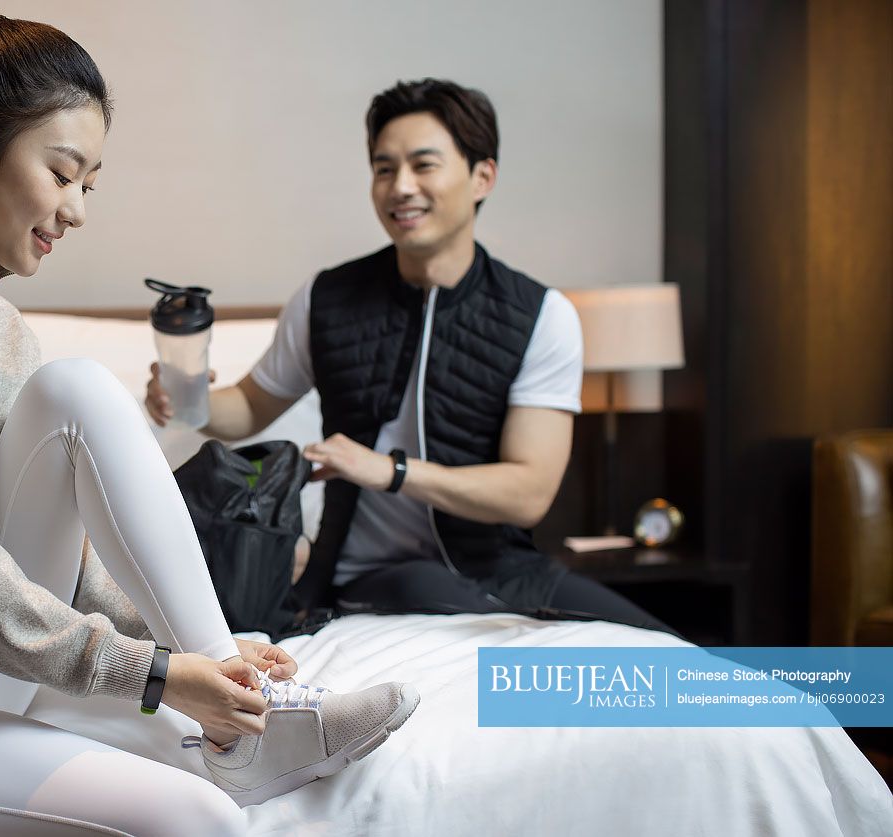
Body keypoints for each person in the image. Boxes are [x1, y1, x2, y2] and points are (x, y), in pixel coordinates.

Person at [0, 3, 419, 834]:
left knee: (77, 388)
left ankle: (252, 723)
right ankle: (250, 737)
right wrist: (159, 674)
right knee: (195, 818)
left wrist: (208, 655)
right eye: (63, 175)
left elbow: (71, 565)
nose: (79, 210)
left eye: (89, 185)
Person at [147, 78, 678, 637]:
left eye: (424, 166)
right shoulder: (326, 299)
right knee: (435, 595)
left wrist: (392, 472)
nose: (400, 187)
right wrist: (190, 397)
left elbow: (529, 494)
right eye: (383, 168)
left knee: (671, 653)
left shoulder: (541, 316)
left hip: (501, 566)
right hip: (363, 576)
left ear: (482, 176)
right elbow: (251, 408)